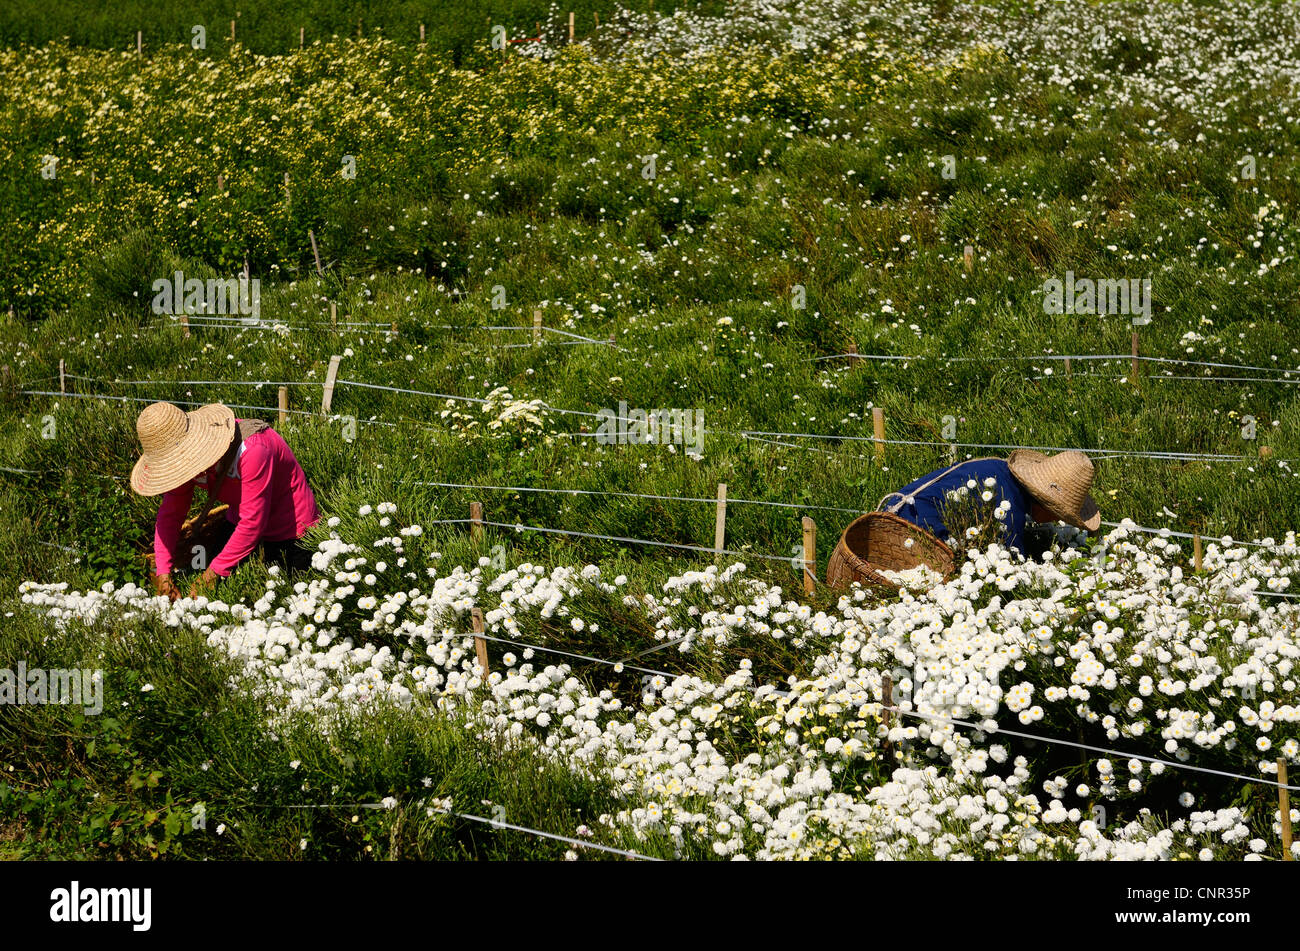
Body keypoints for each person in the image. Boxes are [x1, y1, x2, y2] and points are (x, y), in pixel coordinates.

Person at [130, 401, 320, 600]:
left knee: (289, 597)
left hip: (291, 529)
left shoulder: (253, 450)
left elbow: (253, 523)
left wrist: (213, 573)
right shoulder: (186, 464)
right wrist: (163, 571)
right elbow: (171, 514)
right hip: (239, 521)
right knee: (223, 590)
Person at [877, 449, 1101, 557]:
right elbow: (1012, 562)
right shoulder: (1007, 508)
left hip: (895, 510)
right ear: (1044, 503)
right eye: (1058, 514)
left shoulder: (998, 469)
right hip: (905, 534)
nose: (1056, 521)